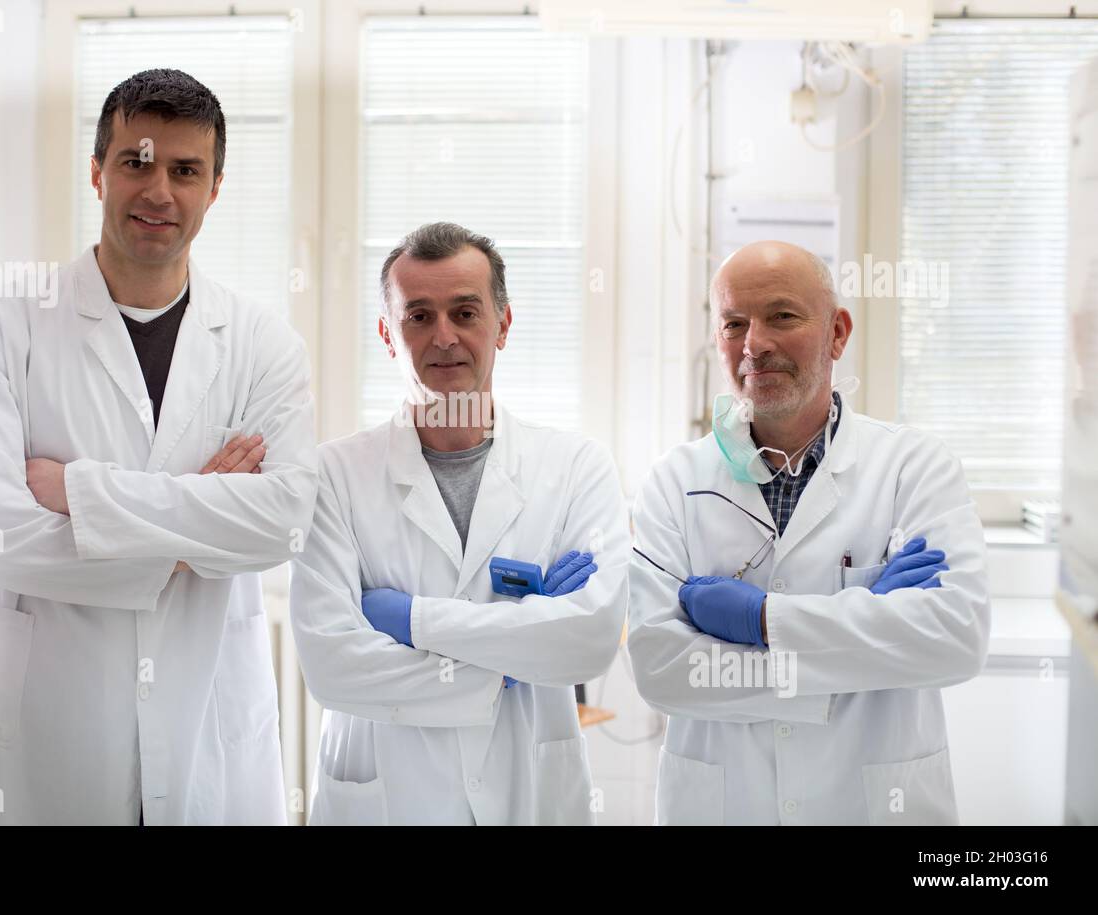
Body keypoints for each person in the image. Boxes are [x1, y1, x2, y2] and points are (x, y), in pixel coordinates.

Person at [0, 69, 318, 825]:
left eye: (184, 169)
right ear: (98, 172)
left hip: (205, 730)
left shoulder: (263, 344)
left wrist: (83, 494)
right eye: (136, 162)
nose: (158, 190)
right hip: (34, 750)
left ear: (215, 186)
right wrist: (188, 540)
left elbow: (283, 522)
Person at [628, 240, 990, 825]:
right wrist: (865, 621)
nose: (755, 345)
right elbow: (661, 670)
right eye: (734, 324)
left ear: (837, 333)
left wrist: (763, 620)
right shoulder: (674, 481)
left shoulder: (914, 468)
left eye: (782, 317)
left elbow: (955, 639)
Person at [289, 222, 627, 825]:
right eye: (418, 315)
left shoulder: (576, 468)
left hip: (530, 792)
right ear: (387, 335)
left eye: (464, 312)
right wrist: (513, 658)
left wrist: (411, 620)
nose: (443, 336)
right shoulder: (334, 475)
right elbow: (333, 667)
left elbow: (590, 642)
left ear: (503, 323)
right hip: (387, 798)